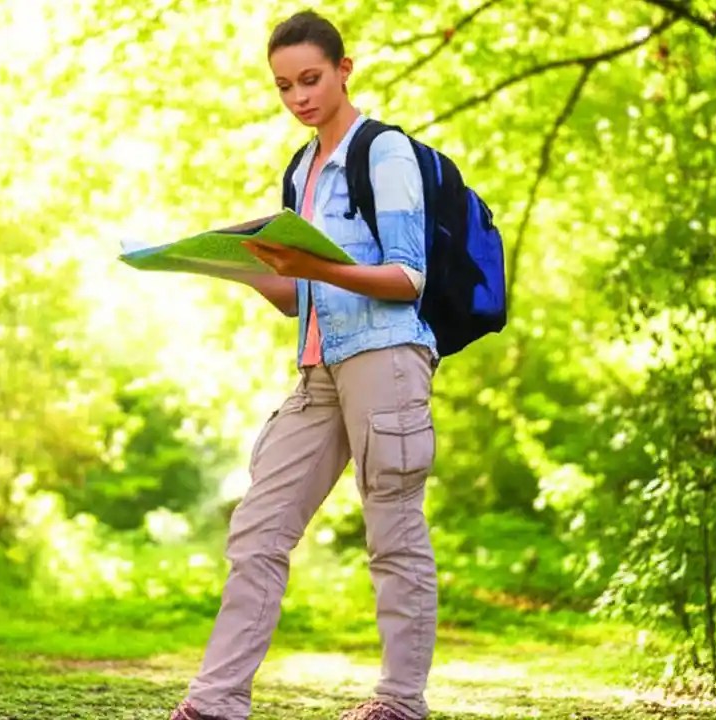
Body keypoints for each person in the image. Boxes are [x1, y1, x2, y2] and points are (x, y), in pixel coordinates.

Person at [169, 9, 439, 720]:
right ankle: (218, 700)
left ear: (344, 70)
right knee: (258, 529)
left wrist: (312, 262)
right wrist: (233, 264)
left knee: (393, 532)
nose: (298, 99)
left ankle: (400, 703)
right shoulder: (300, 169)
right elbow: (298, 297)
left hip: (385, 361)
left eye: (311, 80)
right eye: (284, 87)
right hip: (317, 374)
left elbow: (408, 278)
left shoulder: (383, 152)